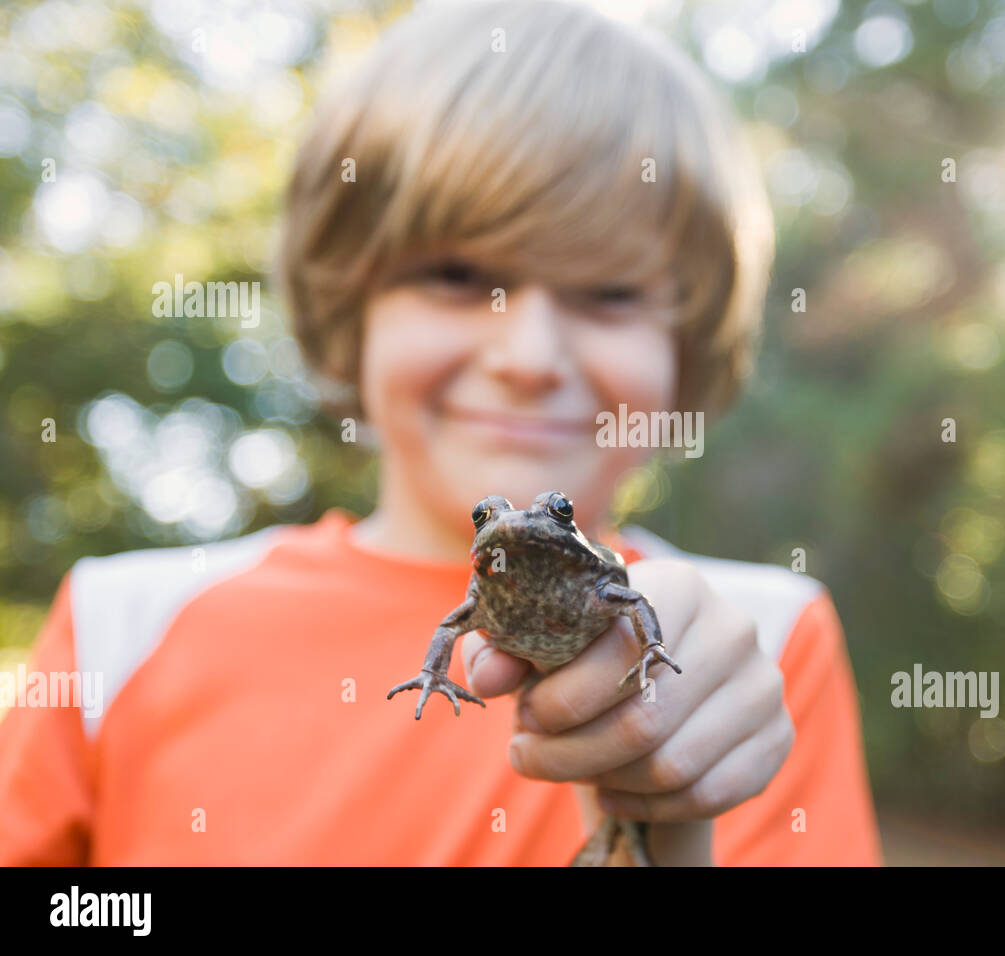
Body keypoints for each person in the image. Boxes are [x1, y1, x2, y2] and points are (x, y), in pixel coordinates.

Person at [0, 0, 880, 865]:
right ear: (352, 309)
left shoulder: (759, 643)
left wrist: (679, 822)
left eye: (610, 292)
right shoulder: (121, 624)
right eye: (458, 277)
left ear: (687, 344)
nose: (530, 355)